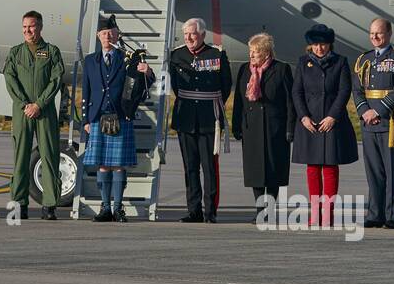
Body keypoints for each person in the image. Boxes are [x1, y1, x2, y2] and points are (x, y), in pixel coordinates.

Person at [81, 14, 152, 223]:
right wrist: (85, 120)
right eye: (104, 34)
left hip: (121, 115)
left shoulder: (128, 58)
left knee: (119, 165)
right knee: (102, 164)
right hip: (98, 117)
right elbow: (86, 90)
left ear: (117, 35)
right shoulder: (90, 61)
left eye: (111, 33)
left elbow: (149, 80)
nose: (107, 37)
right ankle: (105, 208)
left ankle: (119, 208)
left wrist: (147, 71)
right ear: (98, 36)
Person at [290, 24, 358, 227]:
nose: (319, 48)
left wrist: (332, 117)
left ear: (330, 44)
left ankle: (327, 213)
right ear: (310, 46)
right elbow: (297, 92)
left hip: (331, 122)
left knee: (329, 167)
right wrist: (303, 117)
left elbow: (344, 91)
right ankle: (314, 212)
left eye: (323, 44)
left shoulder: (341, 62)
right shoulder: (303, 63)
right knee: (312, 168)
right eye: (315, 45)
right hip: (309, 122)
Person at [168, 17, 233, 223]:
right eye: (186, 34)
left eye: (193, 34)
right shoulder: (177, 55)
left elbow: (225, 85)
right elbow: (176, 86)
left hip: (208, 118)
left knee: (209, 167)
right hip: (186, 117)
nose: (189, 38)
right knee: (190, 166)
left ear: (202, 35)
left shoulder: (217, 54)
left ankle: (210, 211)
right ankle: (194, 210)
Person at [5, 10, 65, 221]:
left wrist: (39, 104)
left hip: (45, 110)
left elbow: (56, 80)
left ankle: (49, 205)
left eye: (31, 26)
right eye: (24, 27)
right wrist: (24, 105)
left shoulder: (51, 52)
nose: (28, 31)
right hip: (22, 112)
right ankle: (19, 205)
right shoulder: (15, 52)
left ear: (40, 27)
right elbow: (10, 80)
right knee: (20, 158)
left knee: (49, 157)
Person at [352, 18, 394, 229]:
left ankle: (392, 216)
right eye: (371, 34)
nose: (375, 37)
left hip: (391, 121)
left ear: (389, 34)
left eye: (379, 33)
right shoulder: (363, 59)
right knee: (374, 171)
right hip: (369, 123)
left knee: (393, 171)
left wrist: (377, 110)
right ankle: (375, 214)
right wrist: (365, 111)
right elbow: (358, 90)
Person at [231, 33, 294, 219]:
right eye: (250, 51)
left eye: (255, 52)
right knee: (255, 171)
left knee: (273, 170)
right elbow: (239, 101)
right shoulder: (245, 70)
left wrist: (290, 127)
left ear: (266, 53)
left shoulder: (281, 69)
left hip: (275, 127)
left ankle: (269, 211)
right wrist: (237, 125)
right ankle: (260, 211)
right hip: (252, 128)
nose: (251, 56)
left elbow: (290, 102)